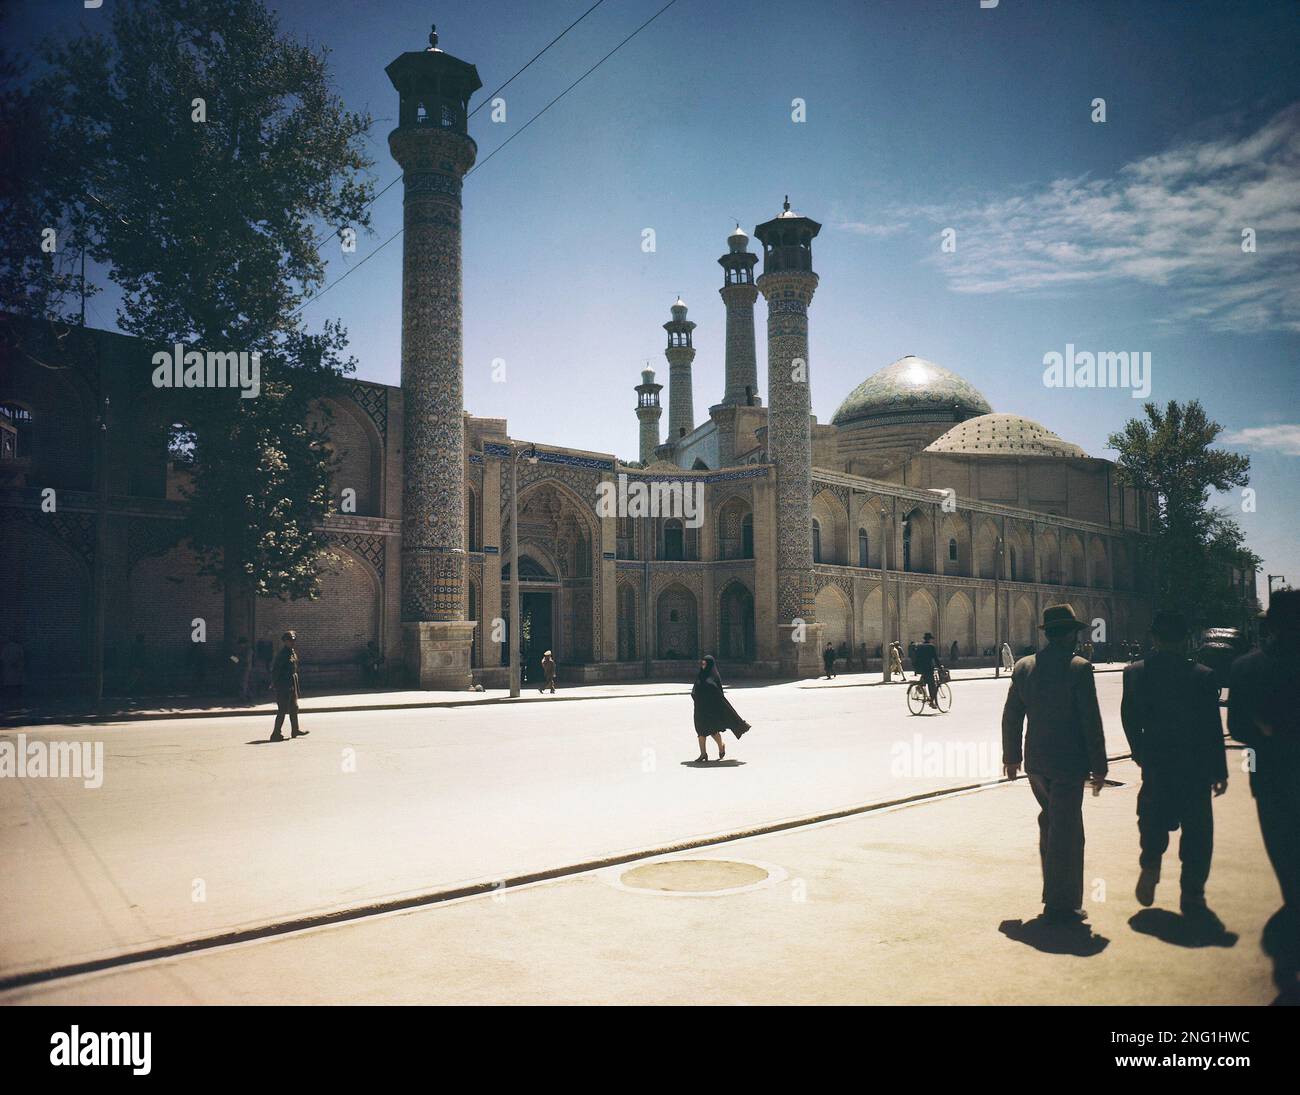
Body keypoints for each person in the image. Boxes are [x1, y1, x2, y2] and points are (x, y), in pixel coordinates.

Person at [1002, 604, 1108, 925]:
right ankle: (1062, 905)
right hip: (1068, 764)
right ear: (1069, 635)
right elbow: (1091, 721)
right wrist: (1099, 766)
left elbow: (1011, 717)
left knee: (1051, 824)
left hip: (1036, 763)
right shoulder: (1078, 668)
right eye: (1075, 633)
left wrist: (1012, 757)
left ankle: (1054, 895)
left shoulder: (1024, 667)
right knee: (1068, 831)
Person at [1121, 610, 1228, 921]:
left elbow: (1129, 717)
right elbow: (1212, 728)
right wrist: (1219, 771)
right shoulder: (1203, 675)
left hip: (1156, 762)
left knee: (1152, 818)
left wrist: (1139, 751)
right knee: (1198, 831)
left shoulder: (1135, 672)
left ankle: (1151, 863)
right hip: (1194, 767)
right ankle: (1192, 893)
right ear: (1186, 640)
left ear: (1154, 638)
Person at [1228, 590, 1300, 986]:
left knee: (1287, 856)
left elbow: (1237, 727)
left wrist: (1268, 733)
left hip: (1271, 777)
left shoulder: (1246, 668)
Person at [691, 655, 750, 762]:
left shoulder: (714, 676)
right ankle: (703, 754)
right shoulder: (700, 675)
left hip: (711, 709)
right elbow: (695, 689)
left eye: (705, 664)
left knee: (713, 731)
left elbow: (719, 694)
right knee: (700, 731)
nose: (703, 666)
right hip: (700, 709)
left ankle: (721, 746)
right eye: (702, 664)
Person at [270, 630, 307, 741]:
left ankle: (295, 730)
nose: (292, 642)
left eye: (294, 640)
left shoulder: (292, 652)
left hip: (292, 684)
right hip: (283, 685)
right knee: (282, 709)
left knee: (294, 708)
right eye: (290, 640)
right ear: (285, 641)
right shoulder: (282, 654)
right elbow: (275, 670)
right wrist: (275, 683)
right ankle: (275, 734)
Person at [913, 632, 940, 708]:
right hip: (928, 668)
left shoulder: (919, 646)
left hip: (919, 668)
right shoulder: (931, 646)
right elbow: (935, 658)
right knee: (932, 686)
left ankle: (919, 686)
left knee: (925, 678)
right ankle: (931, 702)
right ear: (930, 639)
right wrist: (940, 666)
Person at [0, 636, 23, 705]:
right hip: (16, 668)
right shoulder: (19, 647)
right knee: (16, 684)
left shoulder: (6, 647)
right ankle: (16, 699)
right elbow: (21, 658)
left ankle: (8, 699)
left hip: (8, 669)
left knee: (8, 684)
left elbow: (2, 658)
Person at [232, 636, 253, 703]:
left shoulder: (248, 650)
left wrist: (238, 657)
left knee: (243, 683)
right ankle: (248, 697)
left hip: (245, 669)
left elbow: (246, 660)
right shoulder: (242, 650)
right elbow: (237, 661)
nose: (240, 646)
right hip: (240, 668)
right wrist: (233, 658)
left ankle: (243, 698)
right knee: (243, 683)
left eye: (241, 644)